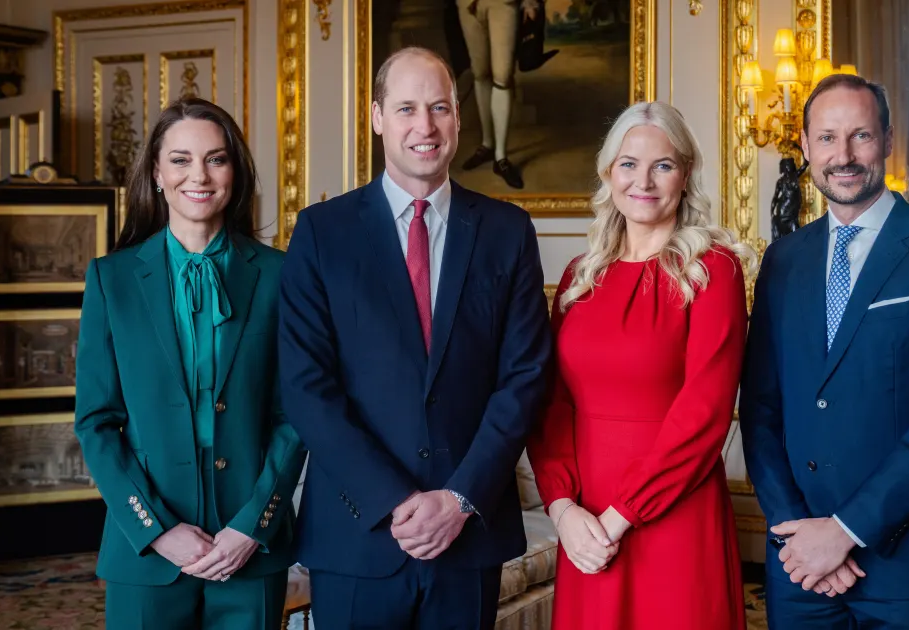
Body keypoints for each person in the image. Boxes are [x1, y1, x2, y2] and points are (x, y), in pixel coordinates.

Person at [278, 47, 551, 628]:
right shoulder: (321, 233)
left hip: (467, 532)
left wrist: (458, 500)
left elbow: (524, 377)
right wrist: (395, 502)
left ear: (458, 118)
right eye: (406, 108)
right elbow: (306, 387)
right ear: (377, 117)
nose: (424, 126)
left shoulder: (507, 231)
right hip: (357, 533)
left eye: (439, 108)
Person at [740, 74, 909, 629]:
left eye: (861, 136)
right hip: (801, 568)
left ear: (888, 140)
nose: (844, 155)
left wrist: (844, 532)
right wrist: (798, 533)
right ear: (805, 147)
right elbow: (760, 411)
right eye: (827, 138)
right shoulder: (782, 261)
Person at [74, 97, 306, 629]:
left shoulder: (280, 275)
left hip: (250, 543)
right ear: (156, 173)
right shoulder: (111, 280)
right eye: (179, 160)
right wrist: (155, 527)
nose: (197, 175)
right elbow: (96, 421)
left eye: (215, 159)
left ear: (235, 172)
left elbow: (295, 414)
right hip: (147, 548)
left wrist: (254, 525)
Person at [527, 101, 749, 629]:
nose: (643, 181)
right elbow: (551, 403)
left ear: (686, 174)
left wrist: (620, 516)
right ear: (608, 173)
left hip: (674, 516)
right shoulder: (581, 275)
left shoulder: (712, 270)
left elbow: (705, 415)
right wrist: (562, 508)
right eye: (628, 163)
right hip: (586, 523)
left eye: (663, 165)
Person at [455, 0, 541, 189]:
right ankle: (487, 145)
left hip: (503, 3)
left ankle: (501, 157)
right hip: (468, 4)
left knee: (502, 76)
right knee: (480, 73)